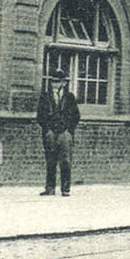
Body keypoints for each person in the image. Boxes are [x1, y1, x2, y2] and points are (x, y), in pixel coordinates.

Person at [36, 68, 80, 196]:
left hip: (65, 133)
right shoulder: (44, 96)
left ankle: (65, 189)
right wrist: (47, 130)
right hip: (50, 133)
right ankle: (50, 188)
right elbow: (40, 116)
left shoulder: (70, 97)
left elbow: (76, 116)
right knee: (50, 160)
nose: (55, 85)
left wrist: (69, 131)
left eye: (58, 82)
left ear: (63, 83)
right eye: (53, 82)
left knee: (65, 161)